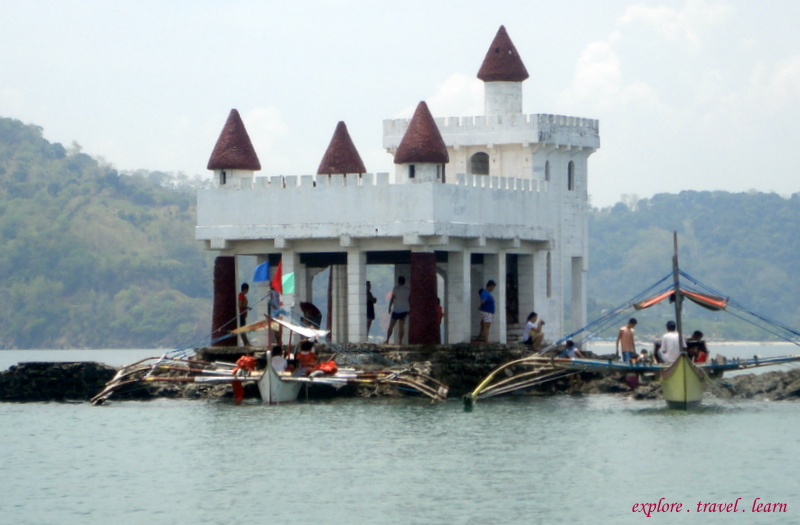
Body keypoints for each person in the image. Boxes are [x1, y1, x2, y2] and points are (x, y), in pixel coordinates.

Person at [385, 276, 410, 344]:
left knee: (391, 326)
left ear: (398, 281)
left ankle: (387, 340)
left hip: (396, 309)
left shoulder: (396, 289)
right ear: (404, 281)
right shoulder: (407, 289)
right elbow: (410, 300)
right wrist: (410, 309)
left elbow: (392, 298)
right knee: (401, 327)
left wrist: (389, 307)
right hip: (404, 309)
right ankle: (400, 342)